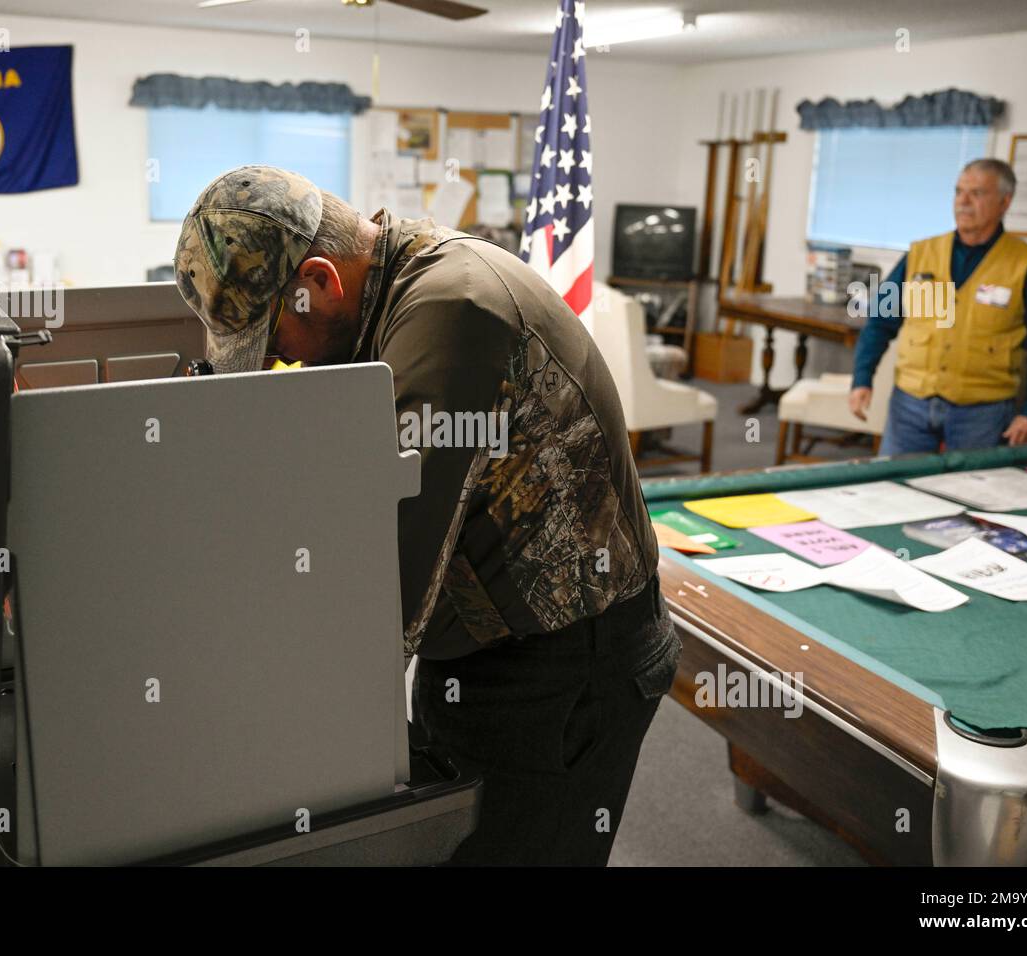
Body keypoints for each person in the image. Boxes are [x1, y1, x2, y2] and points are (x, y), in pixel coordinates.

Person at [174, 166, 679, 866]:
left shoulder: (454, 311)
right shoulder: (389, 284)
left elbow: (387, 591)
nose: (278, 359)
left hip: (563, 674)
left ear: (320, 280)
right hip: (487, 648)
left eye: (275, 336)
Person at [848, 158, 1027, 454]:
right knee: (894, 489)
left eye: (976, 193)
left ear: (1005, 202)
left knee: (971, 493)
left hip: (983, 413)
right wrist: (862, 379)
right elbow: (880, 320)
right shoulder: (920, 254)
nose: (963, 202)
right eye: (958, 191)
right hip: (910, 405)